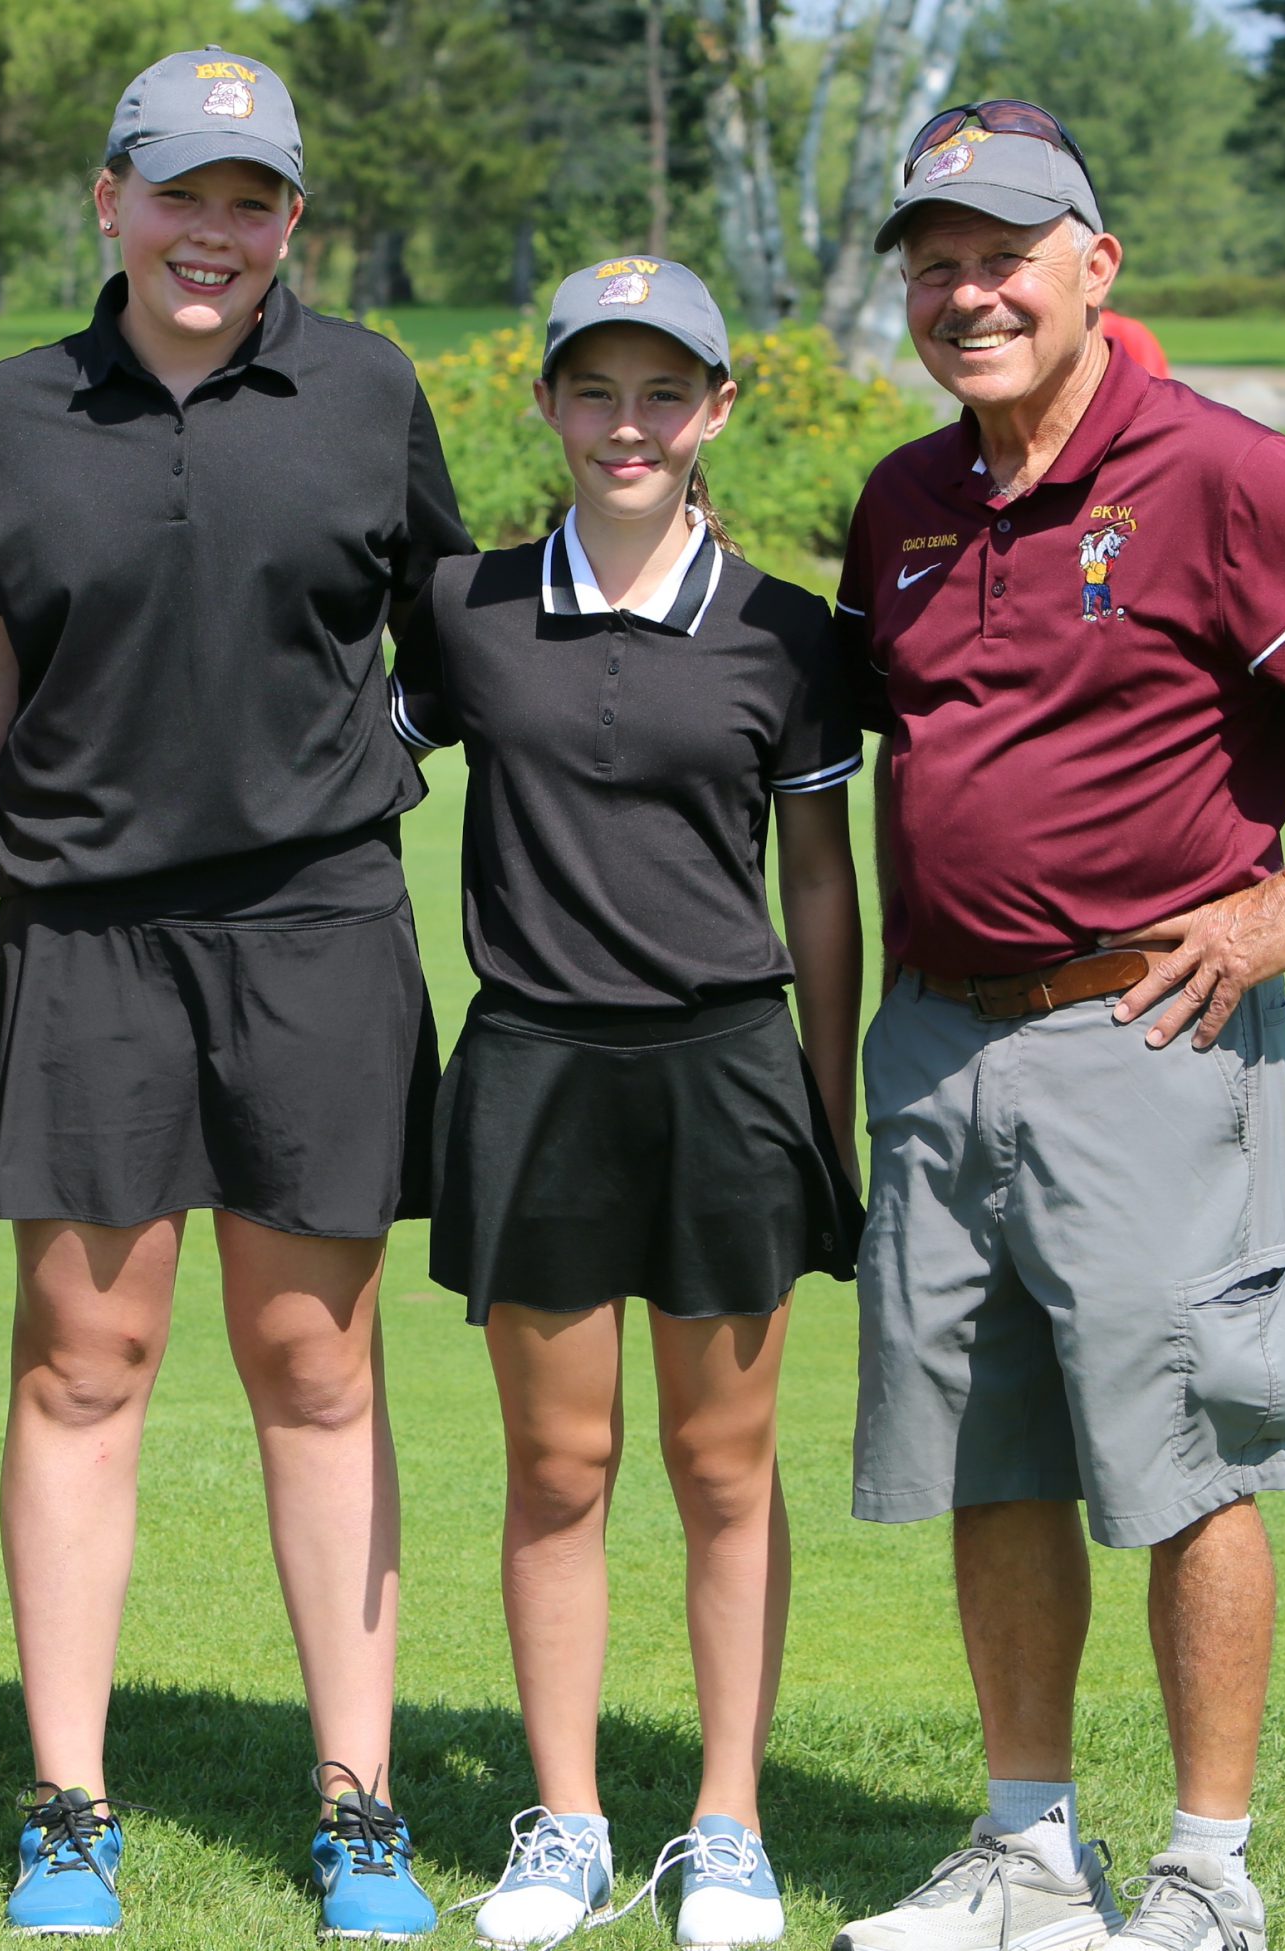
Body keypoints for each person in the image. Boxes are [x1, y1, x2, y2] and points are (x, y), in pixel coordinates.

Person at [829, 98, 1285, 1951]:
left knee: (1188, 1458)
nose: (971, 294)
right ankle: (1028, 1855)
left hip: (1144, 1036)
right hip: (942, 1047)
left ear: (1093, 265)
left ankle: (1207, 1869)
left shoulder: (1210, 469)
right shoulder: (903, 500)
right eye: (938, 263)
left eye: (1005, 257)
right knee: (994, 1459)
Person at [0, 44, 471, 1941]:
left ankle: (358, 1805)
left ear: (293, 223)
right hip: (83, 935)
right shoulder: (11, 416)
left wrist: (347, 767)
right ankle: (69, 1806)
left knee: (318, 1369)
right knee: (85, 1367)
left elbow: (449, 639)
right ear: (110, 200)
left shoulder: (367, 388)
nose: (214, 234)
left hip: (318, 932)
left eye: (253, 202)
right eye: (181, 194)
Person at [391, 257, 864, 1951]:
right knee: (558, 1460)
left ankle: (725, 1824)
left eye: (666, 392)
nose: (629, 424)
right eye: (596, 390)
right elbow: (336, 768)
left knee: (722, 1463)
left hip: (728, 1070)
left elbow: (819, 882)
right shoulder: (464, 605)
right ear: (549, 405)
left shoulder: (784, 628)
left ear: (717, 409)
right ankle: (570, 1821)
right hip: (531, 1065)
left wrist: (825, 1105)